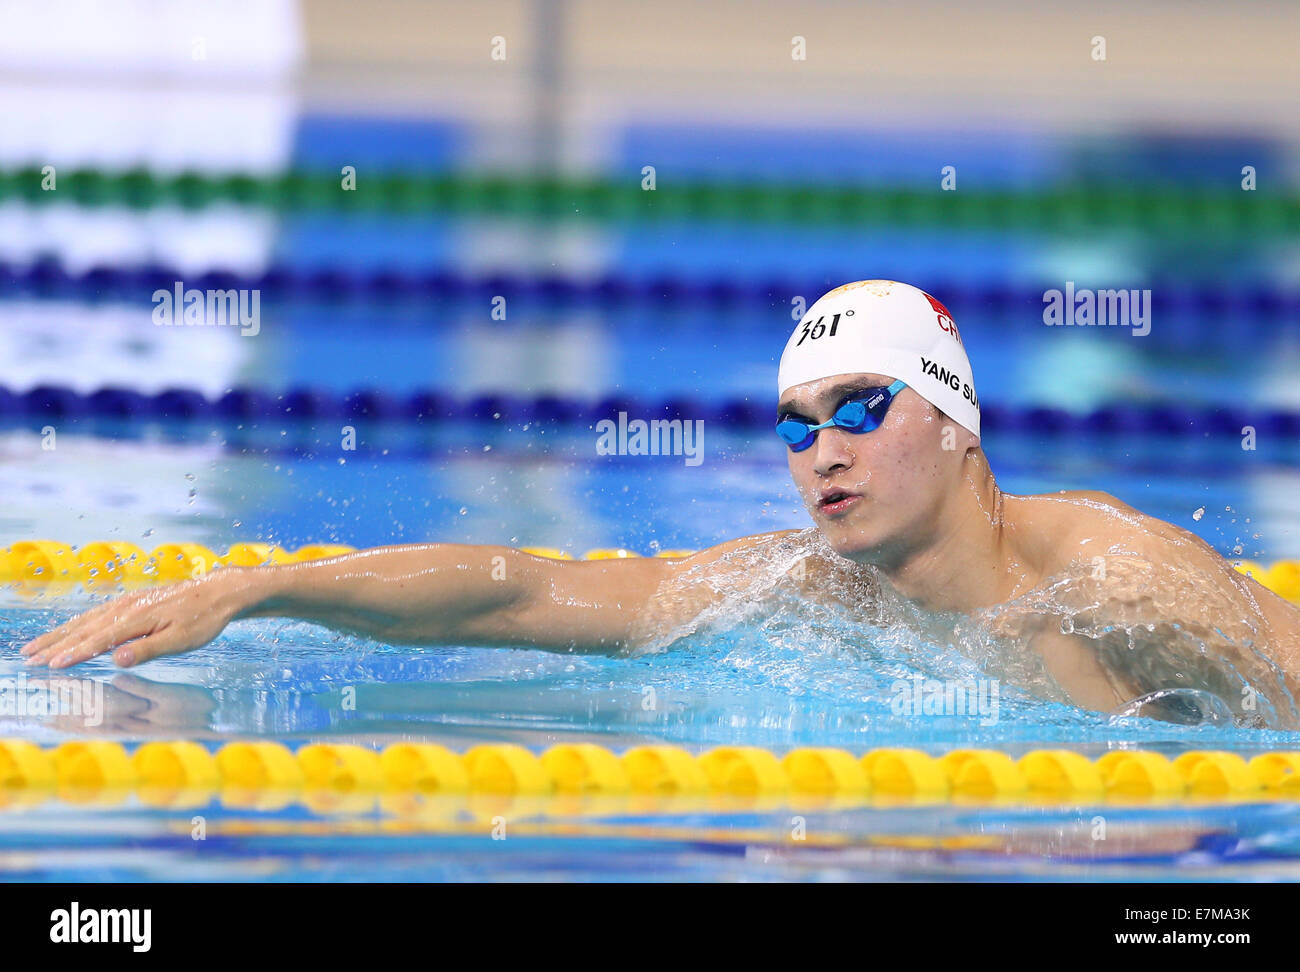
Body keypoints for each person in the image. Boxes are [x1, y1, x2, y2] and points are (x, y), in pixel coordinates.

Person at [20, 280, 1300, 726]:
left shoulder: (1116, 585)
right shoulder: (803, 588)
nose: (822, 454)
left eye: (862, 408)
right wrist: (258, 587)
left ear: (959, 425)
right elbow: (531, 589)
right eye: (797, 427)